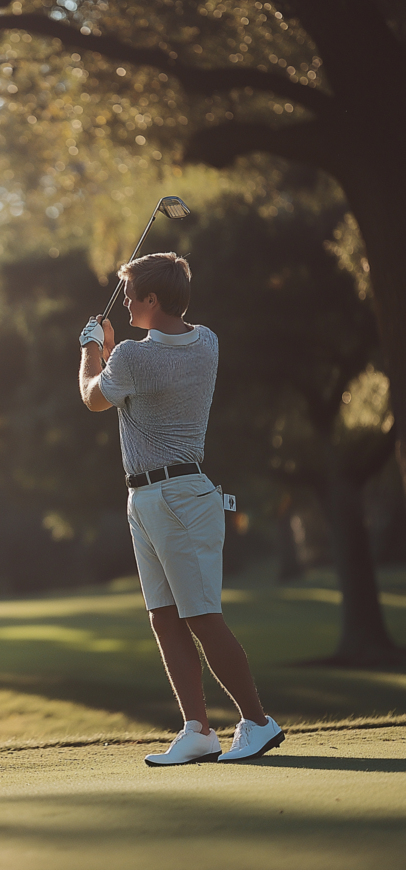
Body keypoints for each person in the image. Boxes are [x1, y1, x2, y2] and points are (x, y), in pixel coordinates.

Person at [78, 252, 284, 766]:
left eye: (132, 295)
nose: (125, 301)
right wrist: (112, 348)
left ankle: (258, 723)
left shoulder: (129, 356)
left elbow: (92, 398)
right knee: (164, 616)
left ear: (152, 300)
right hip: (149, 497)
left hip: (175, 496)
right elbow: (141, 361)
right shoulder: (207, 341)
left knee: (202, 617)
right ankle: (197, 729)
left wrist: (90, 350)